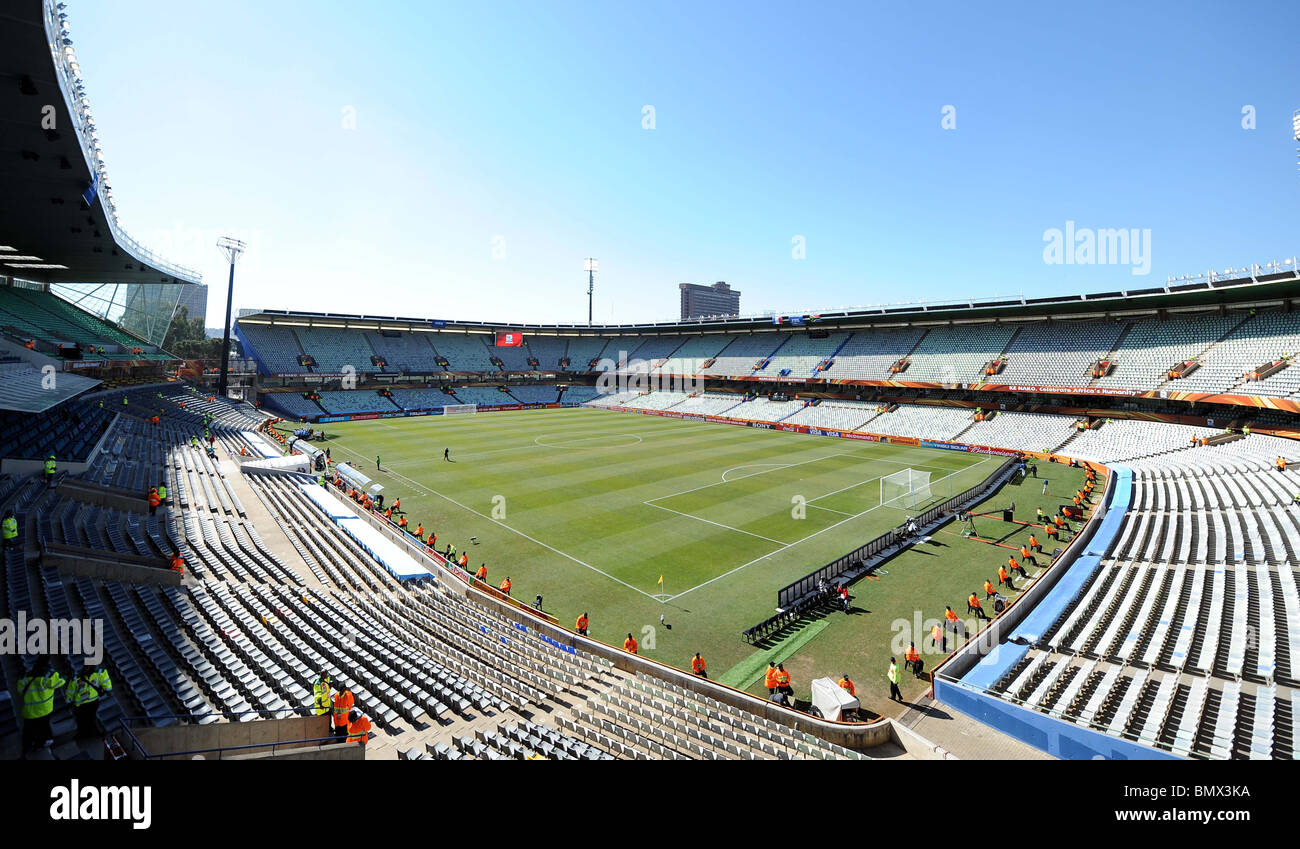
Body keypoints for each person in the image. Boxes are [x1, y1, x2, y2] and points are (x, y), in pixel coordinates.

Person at [19, 657, 65, 754]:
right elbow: (59, 682)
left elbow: (20, 690)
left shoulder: (27, 675)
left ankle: (26, 748)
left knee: (28, 730)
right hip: (45, 709)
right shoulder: (50, 675)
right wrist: (64, 678)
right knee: (43, 727)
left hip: (30, 711)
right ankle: (40, 744)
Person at [65, 662, 111, 738]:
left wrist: (108, 690)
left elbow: (105, 683)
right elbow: (70, 691)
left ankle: (90, 734)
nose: (87, 669)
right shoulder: (76, 678)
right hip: (81, 704)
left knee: (91, 718)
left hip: (93, 702)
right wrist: (69, 701)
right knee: (82, 720)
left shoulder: (98, 674)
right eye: (86, 667)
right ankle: (84, 734)